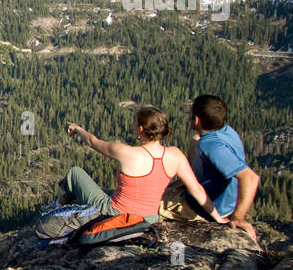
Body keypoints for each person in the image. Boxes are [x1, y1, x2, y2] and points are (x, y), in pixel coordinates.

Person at [60, 106, 227, 224]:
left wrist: (77, 128)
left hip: (116, 213)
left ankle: (57, 208)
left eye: (134, 124)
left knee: (75, 173)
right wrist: (218, 218)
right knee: (104, 191)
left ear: (140, 129)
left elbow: (92, 141)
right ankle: (68, 204)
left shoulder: (127, 152)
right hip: (149, 217)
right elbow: (196, 189)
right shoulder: (175, 155)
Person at [158, 94, 260, 245]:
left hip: (209, 206)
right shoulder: (226, 131)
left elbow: (250, 177)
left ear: (197, 120)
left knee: (145, 202)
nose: (189, 116)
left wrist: (238, 217)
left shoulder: (211, 146)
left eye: (191, 114)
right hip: (224, 196)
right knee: (195, 140)